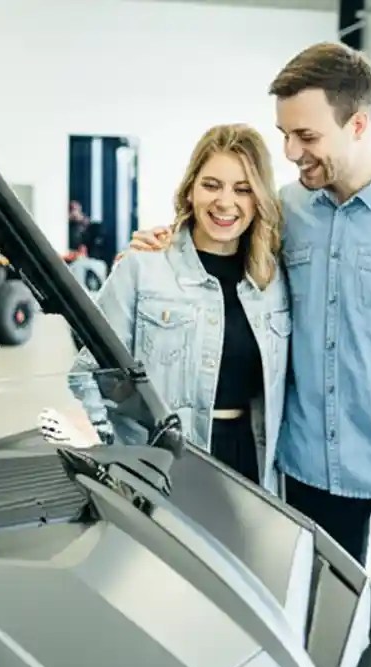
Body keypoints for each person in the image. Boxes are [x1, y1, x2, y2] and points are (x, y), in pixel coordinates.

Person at [129, 43, 371, 667]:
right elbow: (216, 235)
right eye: (286, 136)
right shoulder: (288, 212)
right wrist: (160, 240)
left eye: (306, 136)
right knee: (318, 649)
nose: (293, 154)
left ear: (359, 124)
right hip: (309, 479)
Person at [69, 123, 292, 495]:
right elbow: (88, 373)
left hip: (250, 464)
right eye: (211, 185)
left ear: (259, 199)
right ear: (190, 190)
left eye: (242, 189)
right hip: (163, 465)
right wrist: (114, 461)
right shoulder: (144, 267)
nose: (225, 202)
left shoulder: (273, 280)